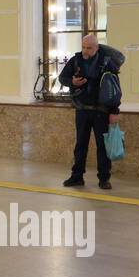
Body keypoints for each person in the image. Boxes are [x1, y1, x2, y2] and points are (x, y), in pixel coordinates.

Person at [57, 33, 125, 190]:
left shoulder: (107, 63)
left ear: (97, 48)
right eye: (83, 47)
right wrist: (71, 81)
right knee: (80, 144)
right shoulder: (76, 60)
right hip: (82, 110)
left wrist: (115, 111)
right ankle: (77, 176)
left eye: (89, 48)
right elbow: (62, 78)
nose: (85, 51)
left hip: (102, 112)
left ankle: (104, 178)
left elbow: (115, 89)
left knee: (102, 146)